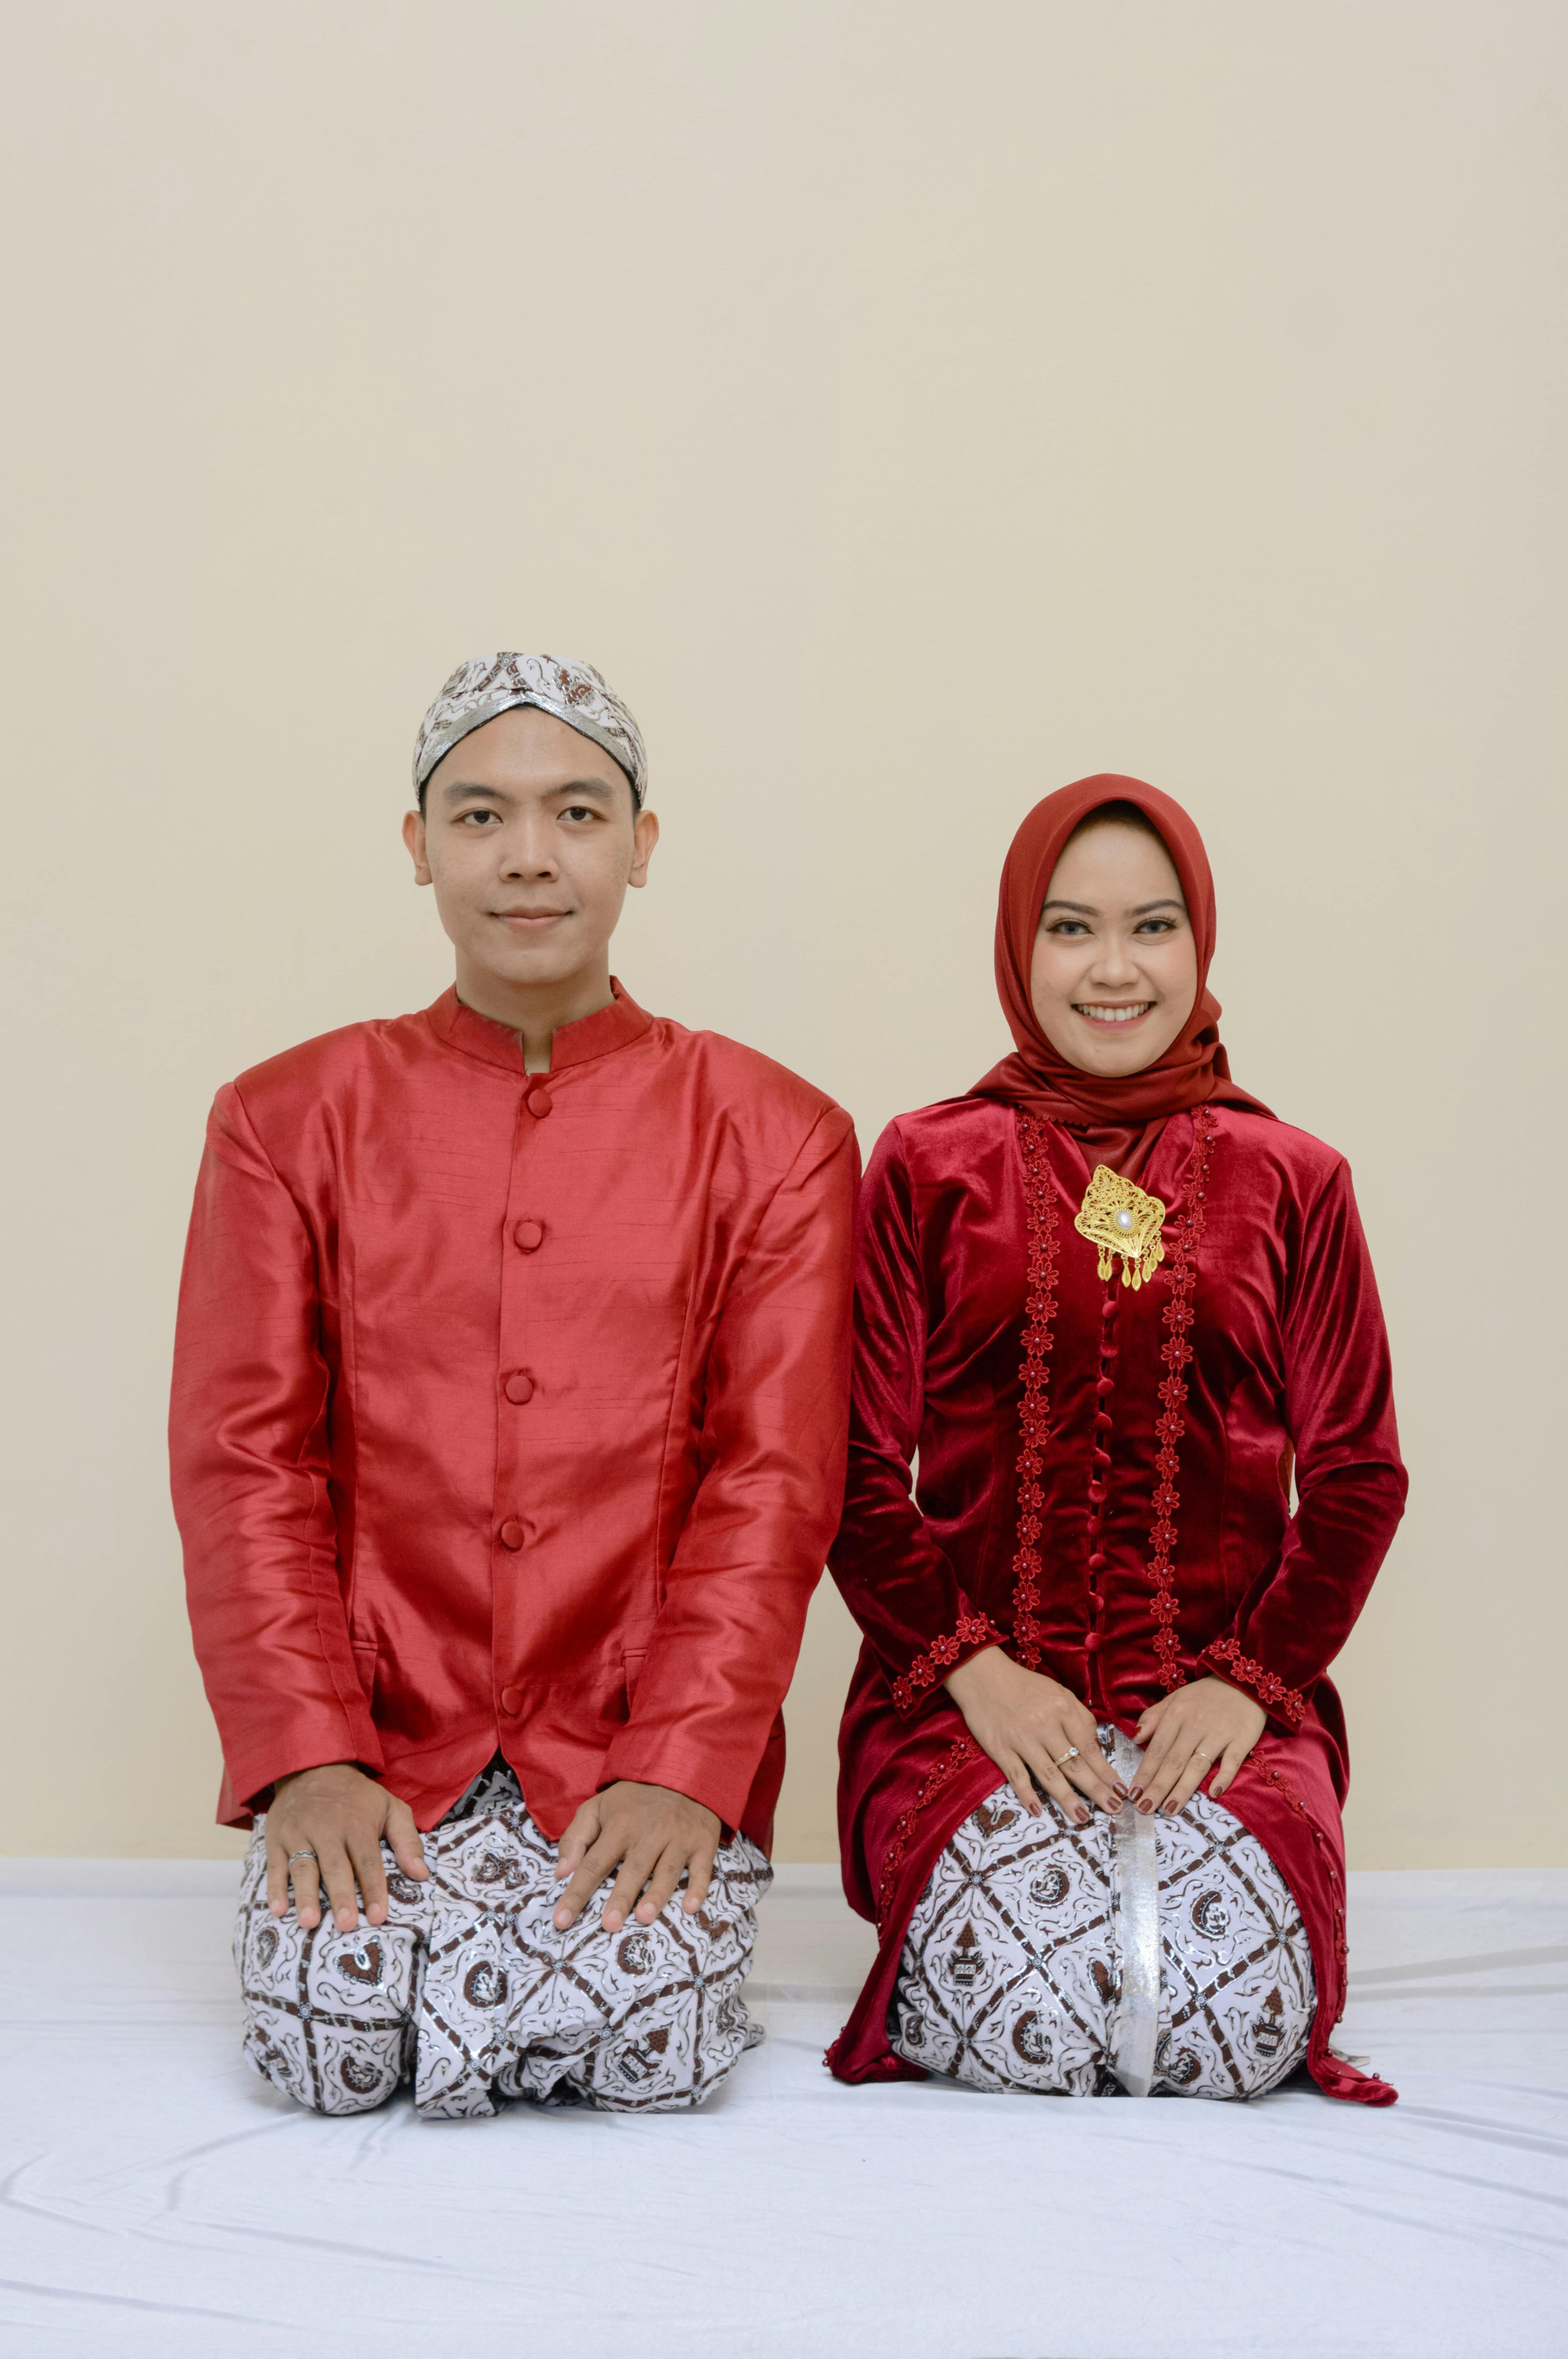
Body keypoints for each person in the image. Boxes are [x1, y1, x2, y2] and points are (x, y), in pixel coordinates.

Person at [170, 652, 857, 2120]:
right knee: (326, 2050)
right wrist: (309, 1761)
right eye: (480, 817)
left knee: (646, 2047)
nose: (529, 858)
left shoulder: (776, 1132)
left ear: (642, 845)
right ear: (417, 845)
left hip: (631, 1737)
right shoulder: (284, 1120)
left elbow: (774, 1481)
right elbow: (246, 1464)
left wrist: (681, 1766)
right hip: (382, 1732)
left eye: (578, 814)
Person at [826, 775, 1405, 2105]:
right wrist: (976, 1673)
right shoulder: (926, 1164)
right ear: (1016, 947)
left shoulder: (1296, 1180)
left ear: (1199, 945)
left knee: (1230, 2013)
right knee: (1025, 1988)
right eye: (1069, 928)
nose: (1112, 969)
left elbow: (1360, 1474)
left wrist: (1250, 1682)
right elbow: (851, 1468)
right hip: (963, 1703)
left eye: (1151, 927)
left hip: (1224, 1705)